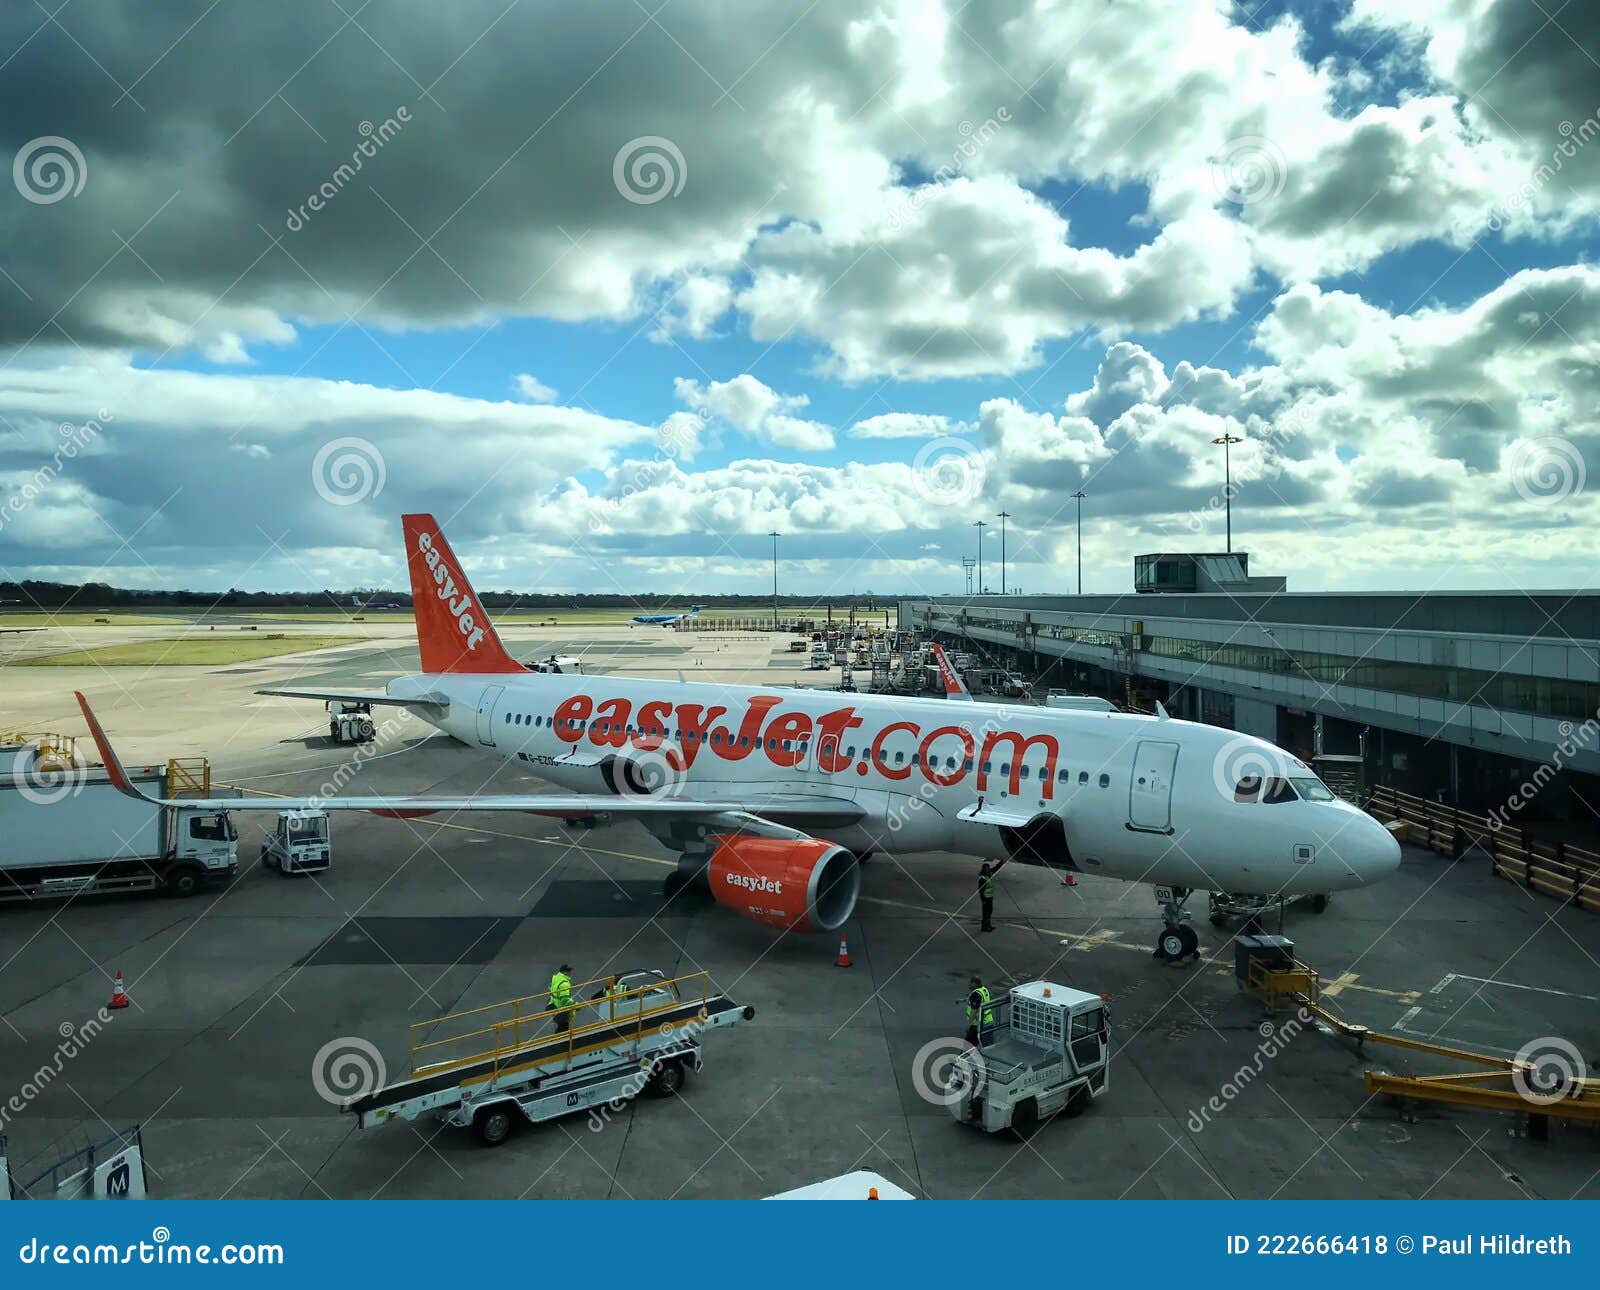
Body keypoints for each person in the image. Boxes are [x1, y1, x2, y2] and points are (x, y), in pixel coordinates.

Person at [964, 975, 993, 1047]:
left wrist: (968, 1024)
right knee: (987, 1046)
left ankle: (963, 1057)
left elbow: (974, 1011)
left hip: (977, 1025)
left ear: (974, 984)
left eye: (970, 983)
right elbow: (979, 1001)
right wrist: (962, 1000)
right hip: (988, 1022)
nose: (969, 985)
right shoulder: (984, 990)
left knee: (967, 1047)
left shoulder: (976, 994)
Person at [548, 963, 575, 1034]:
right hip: (563, 1010)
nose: (570, 973)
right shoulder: (564, 984)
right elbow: (565, 1000)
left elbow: (551, 991)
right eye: (569, 971)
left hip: (555, 1007)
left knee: (560, 1028)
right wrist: (575, 1005)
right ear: (564, 972)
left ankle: (556, 1041)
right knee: (563, 1030)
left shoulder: (555, 979)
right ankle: (558, 1043)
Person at [978, 860, 1004, 932]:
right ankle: (984, 927)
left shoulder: (989, 874)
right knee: (985, 913)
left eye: (988, 868)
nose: (988, 869)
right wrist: (983, 900)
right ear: (984, 869)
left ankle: (988, 925)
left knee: (989, 912)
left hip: (990, 897)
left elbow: (995, 869)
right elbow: (981, 890)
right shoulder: (982, 878)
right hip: (985, 899)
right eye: (987, 868)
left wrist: (1001, 863)